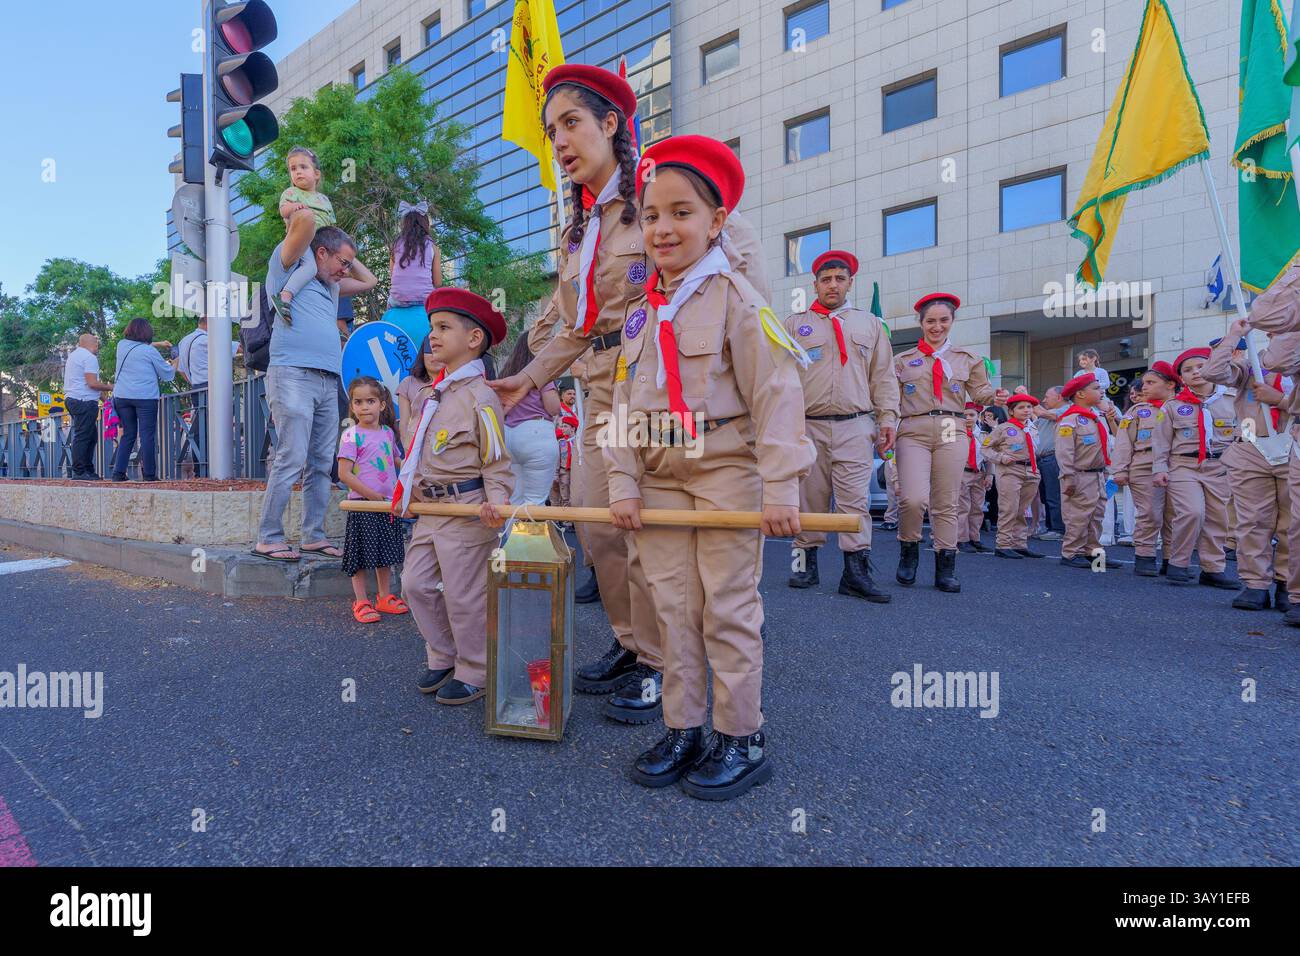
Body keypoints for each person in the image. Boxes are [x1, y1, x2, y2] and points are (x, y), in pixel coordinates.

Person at [490, 65, 768, 722]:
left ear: (612, 123)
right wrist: (528, 376)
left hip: (655, 391)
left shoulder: (657, 200)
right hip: (597, 389)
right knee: (600, 527)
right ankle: (634, 643)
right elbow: (580, 325)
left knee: (647, 528)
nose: (559, 140)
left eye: (571, 123)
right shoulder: (580, 227)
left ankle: (665, 665)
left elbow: (734, 266)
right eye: (551, 128)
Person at [607, 134, 813, 799]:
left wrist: (781, 488)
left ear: (717, 221)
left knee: (726, 609)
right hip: (661, 479)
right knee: (673, 610)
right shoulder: (640, 318)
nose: (663, 228)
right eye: (651, 214)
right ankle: (685, 725)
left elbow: (776, 393)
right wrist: (622, 480)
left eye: (682, 211)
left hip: (726, 472)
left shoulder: (739, 299)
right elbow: (621, 404)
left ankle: (741, 736)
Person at [400, 288, 513, 704]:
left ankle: (475, 669)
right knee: (415, 584)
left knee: (465, 596)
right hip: (430, 508)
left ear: (474, 339)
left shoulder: (481, 397)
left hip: (467, 510)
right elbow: (418, 455)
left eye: (444, 327)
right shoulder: (432, 395)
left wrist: (496, 504)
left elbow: (497, 459)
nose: (433, 335)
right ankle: (443, 654)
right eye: (432, 327)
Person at [253, 224, 377, 562]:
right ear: (320, 253)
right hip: (292, 374)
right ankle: (269, 536)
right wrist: (316, 247)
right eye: (342, 262)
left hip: (327, 380)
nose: (345, 270)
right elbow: (305, 220)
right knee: (291, 456)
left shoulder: (333, 287)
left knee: (323, 462)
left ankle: (313, 535)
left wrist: (348, 254)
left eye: (347, 264)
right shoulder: (287, 270)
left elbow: (370, 282)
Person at [784, 249, 898, 602]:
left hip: (855, 424)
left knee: (855, 501)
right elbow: (778, 377)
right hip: (807, 425)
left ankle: (856, 571)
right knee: (808, 500)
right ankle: (804, 563)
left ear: (850, 283)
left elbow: (883, 376)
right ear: (815, 283)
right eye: (826, 278)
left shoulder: (870, 325)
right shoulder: (793, 325)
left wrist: (887, 418)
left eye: (840, 278)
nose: (833, 284)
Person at [893, 295, 1008, 592]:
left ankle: (946, 565)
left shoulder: (968, 359)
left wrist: (994, 397)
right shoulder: (902, 361)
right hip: (913, 426)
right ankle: (909, 551)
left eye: (943, 320)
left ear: (952, 322)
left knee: (946, 500)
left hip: (950, 426)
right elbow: (888, 398)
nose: (937, 326)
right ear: (921, 323)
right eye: (930, 321)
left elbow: (981, 393)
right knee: (913, 498)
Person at [1203, 320, 1291, 611]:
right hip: (1253, 448)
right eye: (1282, 330)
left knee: (1292, 524)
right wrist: (1234, 336)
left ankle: (1287, 583)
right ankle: (1255, 584)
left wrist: (1281, 400)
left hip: (1294, 448)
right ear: (1270, 334)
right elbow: (1213, 372)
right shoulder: (1253, 364)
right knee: (1253, 520)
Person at [1150, 348, 1239, 588]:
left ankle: (1213, 569)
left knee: (1217, 518)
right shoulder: (1172, 406)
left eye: (1201, 366)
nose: (1195, 372)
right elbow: (1161, 441)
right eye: (1187, 370)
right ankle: (1178, 563)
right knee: (1192, 512)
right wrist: (1160, 468)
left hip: (1219, 466)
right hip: (1183, 466)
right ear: (1181, 378)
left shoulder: (1231, 400)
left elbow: (1243, 434)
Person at [337, 376, 408, 623]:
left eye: (370, 401)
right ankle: (361, 600)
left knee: (385, 553)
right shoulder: (351, 436)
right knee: (359, 555)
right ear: (352, 406)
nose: (364, 406)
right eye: (358, 402)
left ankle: (384, 596)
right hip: (362, 504)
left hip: (387, 503)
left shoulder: (388, 433)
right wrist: (370, 494)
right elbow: (343, 473)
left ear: (382, 404)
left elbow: (397, 461)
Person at [1111, 362, 1178, 577]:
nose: (1144, 387)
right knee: (1150, 513)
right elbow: (1124, 442)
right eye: (1144, 383)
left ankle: (1171, 558)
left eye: (1151, 383)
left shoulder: (1182, 408)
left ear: (1170, 385)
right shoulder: (1138, 412)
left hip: (1177, 466)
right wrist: (1120, 470)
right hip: (1144, 466)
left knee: (1174, 515)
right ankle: (1145, 554)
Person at [110, 319, 177, 482]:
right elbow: (167, 374)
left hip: (122, 397)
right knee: (147, 436)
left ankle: (118, 474)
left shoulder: (121, 346)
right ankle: (149, 475)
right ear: (147, 332)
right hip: (145, 397)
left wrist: (158, 344)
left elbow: (138, 348)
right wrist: (176, 361)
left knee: (128, 435)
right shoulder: (149, 352)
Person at [497, 335, 561, 504]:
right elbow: (553, 408)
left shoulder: (507, 373)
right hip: (536, 434)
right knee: (535, 503)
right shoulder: (542, 374)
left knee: (513, 500)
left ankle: (510, 531)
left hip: (509, 436)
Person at [275, 146, 336, 314]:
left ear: (316, 174)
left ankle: (331, 318)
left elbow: (332, 224)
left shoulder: (324, 200)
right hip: (304, 242)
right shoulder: (292, 192)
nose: (298, 172)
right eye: (293, 169)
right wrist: (294, 207)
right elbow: (283, 210)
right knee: (310, 267)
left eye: (303, 167)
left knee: (334, 285)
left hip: (323, 245)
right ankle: (285, 295)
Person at [983, 393, 1042, 558]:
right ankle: (1003, 544)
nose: (1026, 410)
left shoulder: (1033, 427)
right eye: (1021, 407)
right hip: (1010, 470)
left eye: (1029, 407)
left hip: (1031, 470)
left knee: (1021, 510)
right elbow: (985, 448)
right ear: (1011, 411)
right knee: (1009, 508)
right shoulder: (1003, 428)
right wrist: (1001, 457)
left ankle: (1019, 544)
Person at [63, 333, 112, 480]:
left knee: (90, 437)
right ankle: (79, 471)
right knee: (84, 436)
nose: (97, 347)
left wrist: (104, 399)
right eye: (97, 344)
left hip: (74, 399)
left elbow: (86, 383)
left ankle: (88, 470)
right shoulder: (90, 358)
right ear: (92, 344)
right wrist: (111, 387)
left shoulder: (74, 356)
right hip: (83, 401)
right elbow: (92, 383)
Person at [388, 200, 442, 308]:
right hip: (425, 300)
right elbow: (438, 282)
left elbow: (392, 274)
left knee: (389, 304)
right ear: (425, 224)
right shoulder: (432, 247)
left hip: (398, 300)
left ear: (404, 224)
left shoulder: (396, 245)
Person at [1032, 386, 1068, 539]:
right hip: (1042, 459)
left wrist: (1026, 399)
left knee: (1054, 495)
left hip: (1053, 458)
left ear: (1059, 397)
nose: (1044, 400)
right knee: (1046, 496)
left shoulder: (1066, 410)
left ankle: (1058, 529)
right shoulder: (1047, 415)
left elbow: (1041, 413)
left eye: (1047, 397)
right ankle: (1050, 526)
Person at [956, 403, 990, 554]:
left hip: (979, 473)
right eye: (965, 415)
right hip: (961, 472)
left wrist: (990, 474)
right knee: (962, 507)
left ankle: (974, 538)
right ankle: (961, 539)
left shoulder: (983, 435)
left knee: (977, 507)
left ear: (978, 417)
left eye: (972, 415)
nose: (968, 418)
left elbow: (989, 457)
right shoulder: (955, 433)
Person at [552, 387, 580, 509]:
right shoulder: (557, 410)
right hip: (558, 450)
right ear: (562, 396)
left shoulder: (576, 411)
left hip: (572, 452)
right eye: (569, 394)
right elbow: (551, 432)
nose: (572, 396)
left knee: (568, 490)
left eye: (574, 393)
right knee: (556, 489)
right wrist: (565, 434)